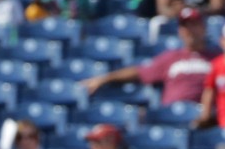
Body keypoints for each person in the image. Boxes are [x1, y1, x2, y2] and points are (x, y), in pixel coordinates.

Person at [82, 7, 217, 106]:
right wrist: (105, 78)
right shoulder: (171, 58)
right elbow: (139, 72)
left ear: (203, 28)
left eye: (194, 25)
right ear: (180, 31)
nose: (190, 31)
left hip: (205, 119)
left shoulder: (217, 59)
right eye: (186, 27)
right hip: (171, 117)